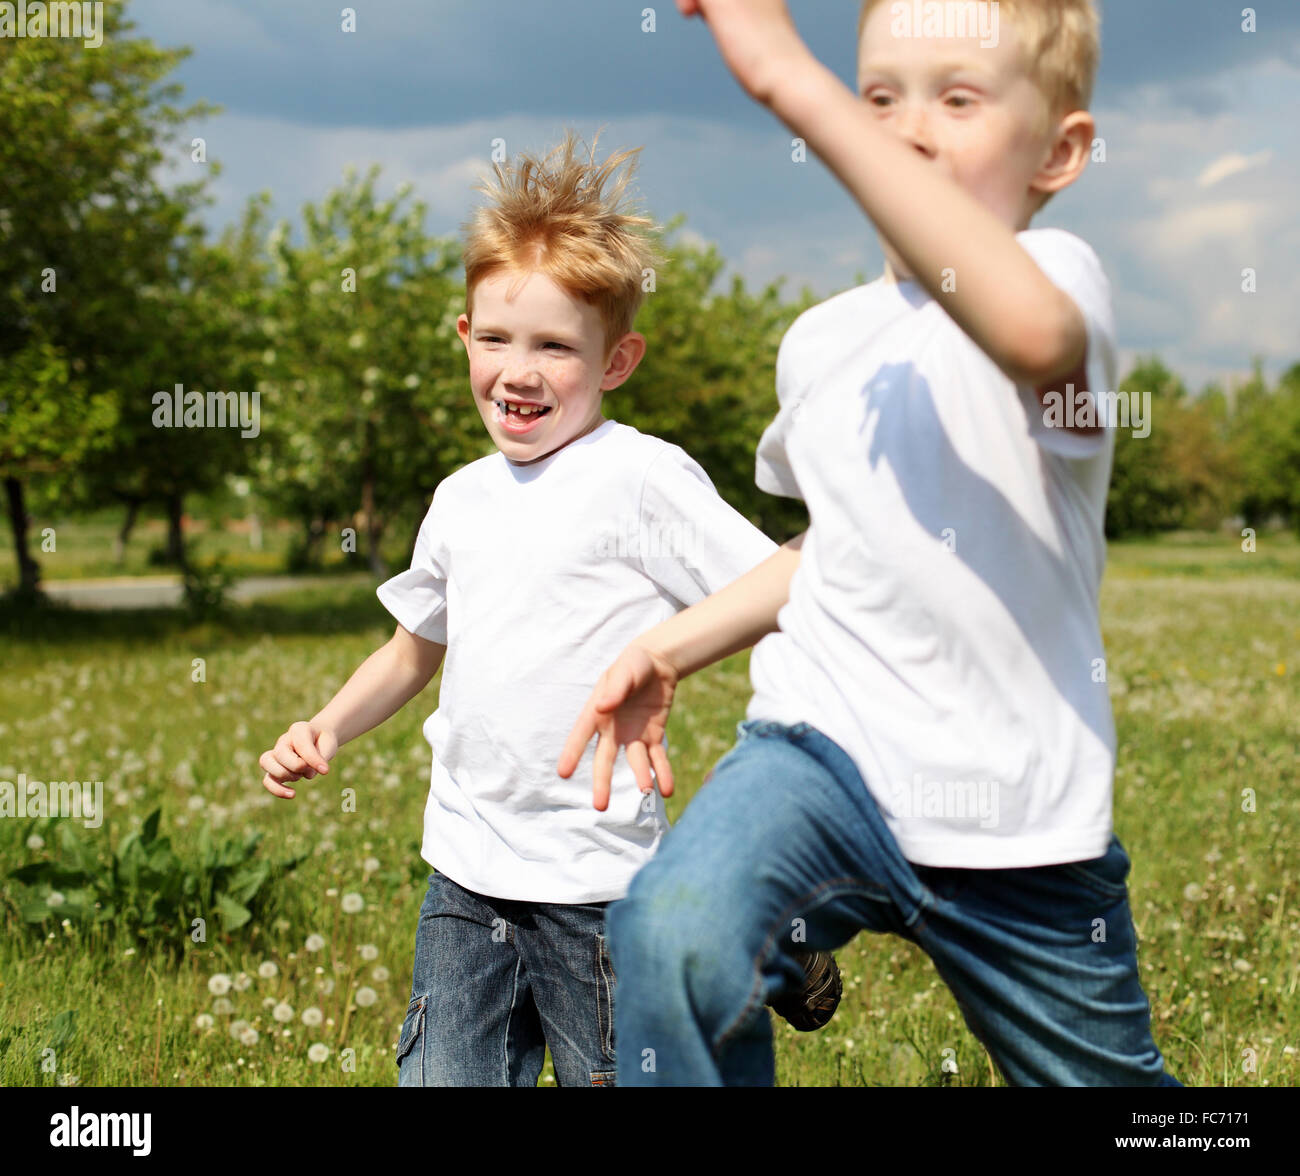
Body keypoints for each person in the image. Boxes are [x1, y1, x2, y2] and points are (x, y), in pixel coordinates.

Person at [559, 0, 1183, 1087]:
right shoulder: (822, 343)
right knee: (674, 932)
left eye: (957, 98)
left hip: (1012, 816)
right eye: (878, 96)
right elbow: (833, 547)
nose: (903, 128)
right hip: (823, 757)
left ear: (1061, 151)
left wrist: (791, 79)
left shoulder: (1062, 283)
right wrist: (671, 647)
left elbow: (1032, 337)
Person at [258, 130, 836, 1087]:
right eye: (496, 339)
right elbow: (412, 651)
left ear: (616, 360)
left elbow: (771, 587)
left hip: (597, 882)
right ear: (464, 338)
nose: (518, 372)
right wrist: (323, 726)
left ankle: (753, 936)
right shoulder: (460, 497)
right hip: (465, 871)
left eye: (556, 347)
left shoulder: (641, 479)